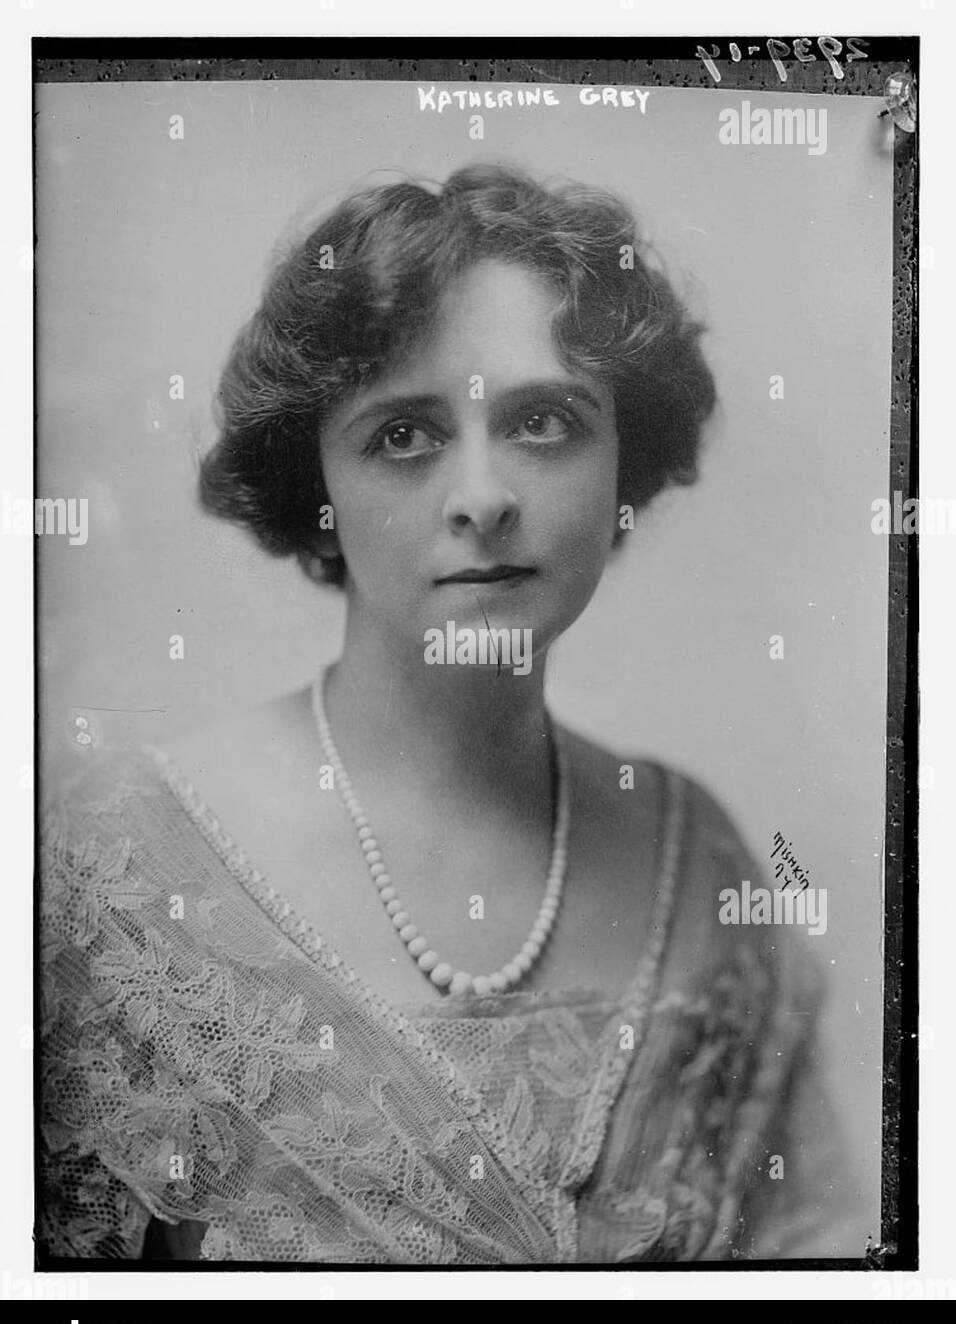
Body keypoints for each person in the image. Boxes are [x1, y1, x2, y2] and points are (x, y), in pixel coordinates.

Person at [38, 164, 859, 1264]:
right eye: (404, 435)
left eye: (542, 420)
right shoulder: (118, 878)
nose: (483, 495)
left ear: (627, 461)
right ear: (312, 491)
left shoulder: (694, 857)